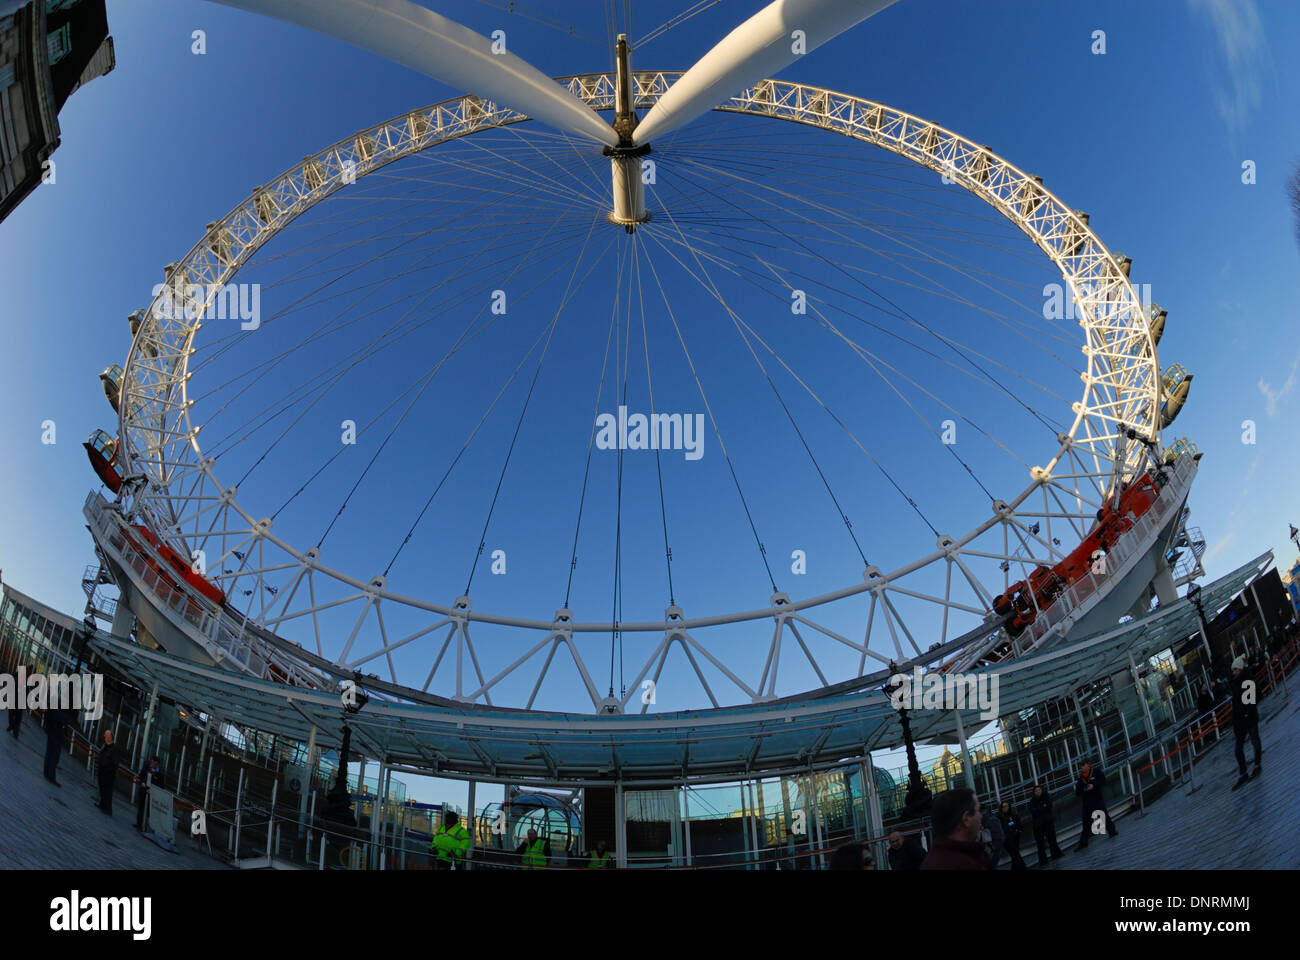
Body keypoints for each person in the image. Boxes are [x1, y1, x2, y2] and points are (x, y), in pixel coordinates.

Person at [919, 788, 991, 870]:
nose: (980, 816)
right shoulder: (965, 862)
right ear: (966, 819)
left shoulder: (935, 860)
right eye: (978, 810)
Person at [1230, 655, 1262, 789]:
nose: (1234, 672)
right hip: (1240, 720)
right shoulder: (1237, 683)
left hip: (1247, 718)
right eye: (1233, 670)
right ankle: (1244, 772)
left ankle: (1256, 765)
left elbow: (1252, 699)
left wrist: (1248, 712)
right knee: (1238, 749)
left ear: (1240, 669)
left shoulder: (1247, 681)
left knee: (1254, 740)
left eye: (1236, 669)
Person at [1074, 761, 1117, 849]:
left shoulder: (1096, 772)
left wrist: (1093, 786)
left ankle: (1112, 831)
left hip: (1097, 799)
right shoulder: (1080, 778)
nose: (1081, 768)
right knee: (1086, 823)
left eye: (1083, 765)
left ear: (1088, 765)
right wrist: (1084, 789)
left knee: (1104, 816)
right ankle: (1083, 843)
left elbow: (1103, 781)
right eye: (1080, 767)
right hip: (1087, 803)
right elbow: (1077, 792)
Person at [1028, 783, 1064, 863]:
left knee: (1052, 839)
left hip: (1048, 822)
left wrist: (1039, 809)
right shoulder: (1032, 801)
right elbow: (1033, 812)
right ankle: (1043, 860)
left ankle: (1056, 854)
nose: (1038, 792)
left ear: (1042, 790)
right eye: (1036, 791)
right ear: (1034, 792)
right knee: (1040, 844)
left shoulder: (1046, 796)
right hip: (1038, 825)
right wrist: (1043, 807)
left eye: (1039, 790)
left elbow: (1049, 806)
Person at [94, 730, 120, 814]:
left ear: (110, 737)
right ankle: (102, 804)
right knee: (102, 788)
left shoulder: (114, 748)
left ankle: (108, 809)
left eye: (106, 735)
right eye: (105, 735)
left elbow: (115, 762)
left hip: (108, 773)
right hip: (102, 770)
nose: (104, 736)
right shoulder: (104, 746)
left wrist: (109, 769)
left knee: (107, 791)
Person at [997, 799, 1027, 871]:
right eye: (1003, 807)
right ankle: (1022, 867)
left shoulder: (1014, 815)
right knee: (1015, 854)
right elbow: (1003, 828)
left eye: (1006, 806)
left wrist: (1018, 831)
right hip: (1007, 840)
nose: (1005, 808)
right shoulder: (1000, 818)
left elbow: (1019, 825)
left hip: (1015, 837)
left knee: (1015, 855)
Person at [42, 706, 69, 786]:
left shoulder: (55, 708)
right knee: (54, 756)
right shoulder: (59, 712)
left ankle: (47, 773)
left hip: (53, 734)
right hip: (56, 735)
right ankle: (51, 776)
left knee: (49, 753)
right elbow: (62, 723)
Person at [135, 757, 163, 831]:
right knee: (141, 807)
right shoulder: (147, 766)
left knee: (148, 811)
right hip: (143, 790)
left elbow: (161, 785)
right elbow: (141, 776)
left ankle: (145, 826)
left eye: (155, 764)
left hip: (152, 793)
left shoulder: (160, 773)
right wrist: (142, 783)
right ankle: (139, 824)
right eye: (152, 763)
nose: (153, 764)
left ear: (158, 765)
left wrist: (152, 790)